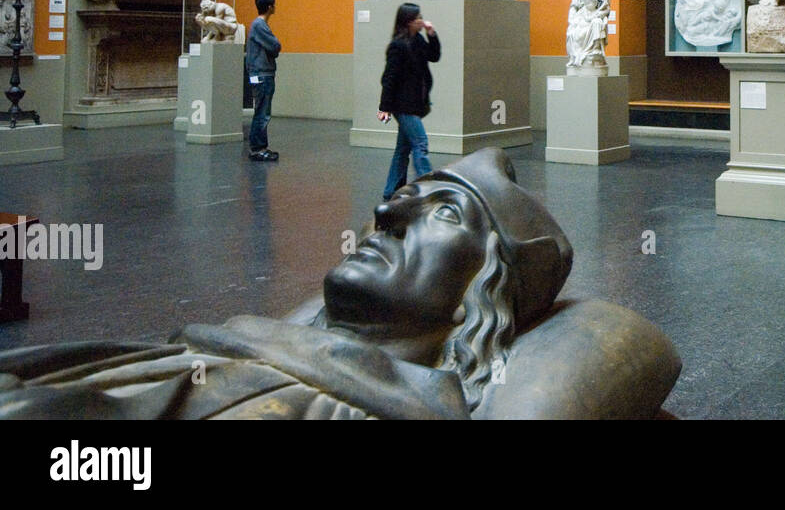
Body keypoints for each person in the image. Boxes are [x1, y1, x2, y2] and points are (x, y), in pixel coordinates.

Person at [0, 148, 679, 420]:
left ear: (485, 291)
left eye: (443, 212)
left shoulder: (341, 406)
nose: (385, 212)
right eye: (402, 197)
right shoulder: (254, 351)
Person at [379, 3, 441, 201]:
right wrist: (385, 107)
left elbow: (434, 56)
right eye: (418, 18)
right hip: (404, 105)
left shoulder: (418, 40)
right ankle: (429, 189)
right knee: (420, 143)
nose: (421, 21)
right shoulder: (398, 46)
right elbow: (389, 78)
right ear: (408, 22)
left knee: (403, 149)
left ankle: (391, 191)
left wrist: (432, 34)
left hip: (415, 103)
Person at [245, 0, 281, 162]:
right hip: (262, 74)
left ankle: (259, 147)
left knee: (261, 111)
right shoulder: (260, 25)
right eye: (274, 5)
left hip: (259, 74)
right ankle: (258, 149)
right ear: (269, 8)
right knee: (262, 112)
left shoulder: (258, 25)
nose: (275, 7)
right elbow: (275, 46)